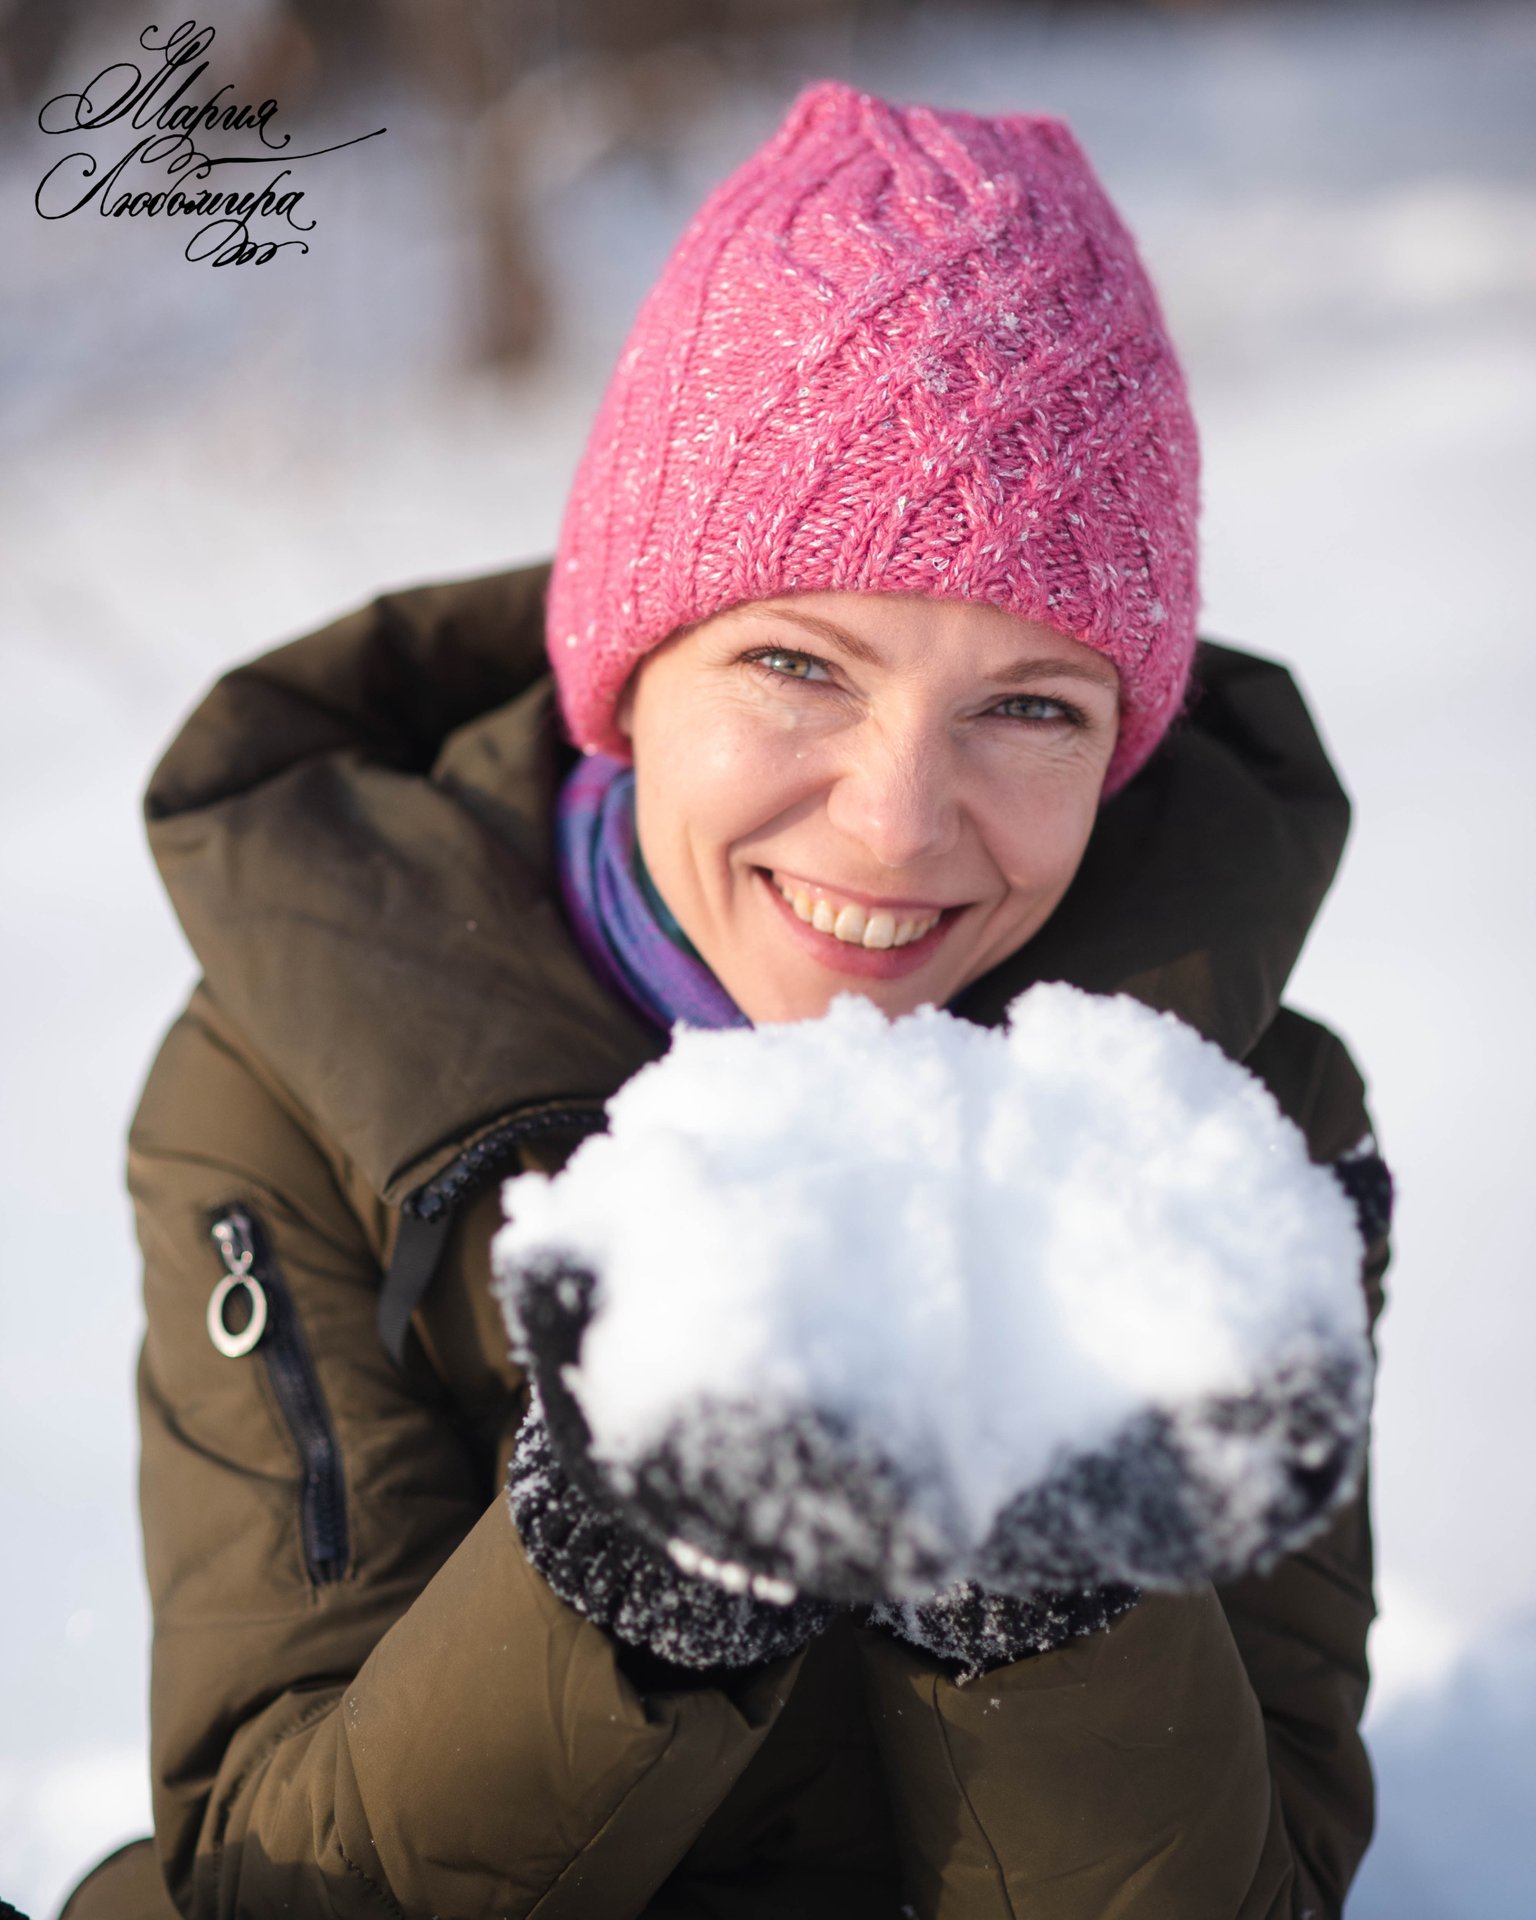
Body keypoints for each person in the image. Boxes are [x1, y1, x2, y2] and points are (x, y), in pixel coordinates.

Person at [62, 80, 1390, 1920]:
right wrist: (614, 1581)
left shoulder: (1230, 1127)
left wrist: (1052, 1586)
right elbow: (259, 1881)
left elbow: (1270, 1894)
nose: (897, 822)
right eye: (795, 663)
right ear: (629, 672)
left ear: (1124, 749)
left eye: (1030, 707)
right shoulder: (297, 1075)